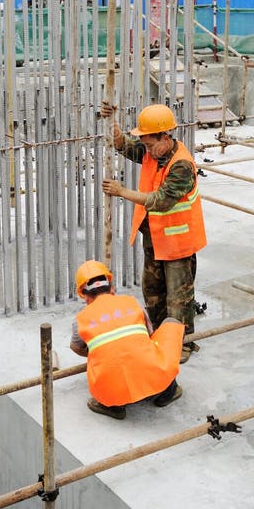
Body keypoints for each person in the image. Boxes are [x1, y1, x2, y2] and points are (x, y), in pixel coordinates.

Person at [100, 102, 206, 363]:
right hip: (156, 238)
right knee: (153, 291)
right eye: (145, 145)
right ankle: (162, 335)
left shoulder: (181, 165)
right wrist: (111, 120)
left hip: (178, 241)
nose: (146, 150)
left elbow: (161, 200)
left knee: (178, 296)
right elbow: (123, 144)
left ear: (165, 137)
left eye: (149, 144)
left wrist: (121, 191)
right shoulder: (153, 151)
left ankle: (183, 343)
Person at [70, 260, 184, 420]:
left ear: (84, 295)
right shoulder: (131, 302)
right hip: (156, 385)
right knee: (170, 324)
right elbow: (150, 335)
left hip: (112, 394)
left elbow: (75, 347)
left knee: (98, 357)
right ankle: (168, 392)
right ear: (112, 288)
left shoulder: (80, 320)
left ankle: (113, 407)